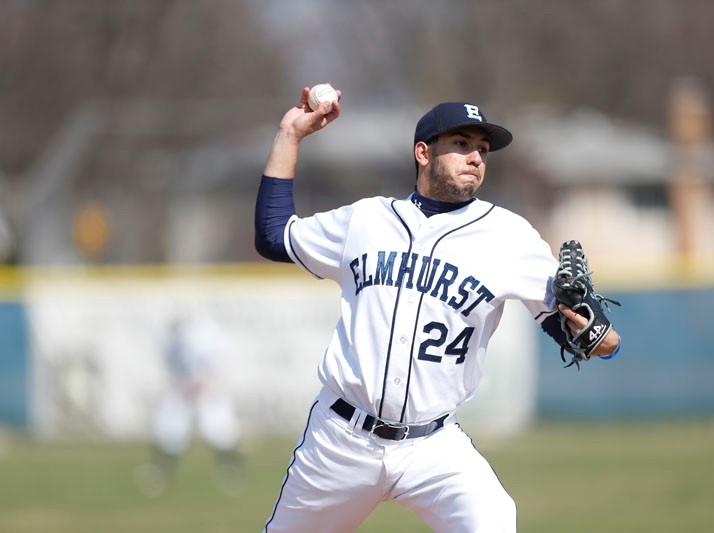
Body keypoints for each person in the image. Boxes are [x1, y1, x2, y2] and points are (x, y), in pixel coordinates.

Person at [254, 87, 621, 532]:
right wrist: (289, 134)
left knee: (495, 521)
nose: (476, 157)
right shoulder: (366, 221)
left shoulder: (510, 236)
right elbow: (274, 236)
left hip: (433, 446)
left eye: (482, 149)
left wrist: (602, 338)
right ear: (423, 152)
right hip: (340, 441)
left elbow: (578, 329)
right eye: (462, 145)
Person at [135, 313, 244, 497]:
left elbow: (222, 359)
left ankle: (232, 470)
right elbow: (171, 364)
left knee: (219, 430)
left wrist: (206, 381)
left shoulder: (209, 333)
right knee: (170, 430)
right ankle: (160, 472)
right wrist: (184, 383)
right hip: (182, 390)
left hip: (208, 389)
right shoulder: (171, 338)